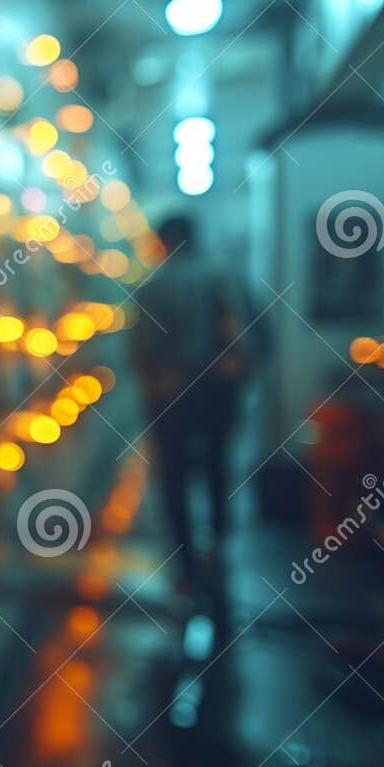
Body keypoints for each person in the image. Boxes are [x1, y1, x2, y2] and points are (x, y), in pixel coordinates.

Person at [131, 215, 255, 631]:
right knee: (218, 466)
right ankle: (218, 545)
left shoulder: (155, 287)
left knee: (175, 477)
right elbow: (254, 338)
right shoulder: (226, 280)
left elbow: (143, 348)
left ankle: (184, 565)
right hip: (219, 394)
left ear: (166, 242)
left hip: (171, 399)